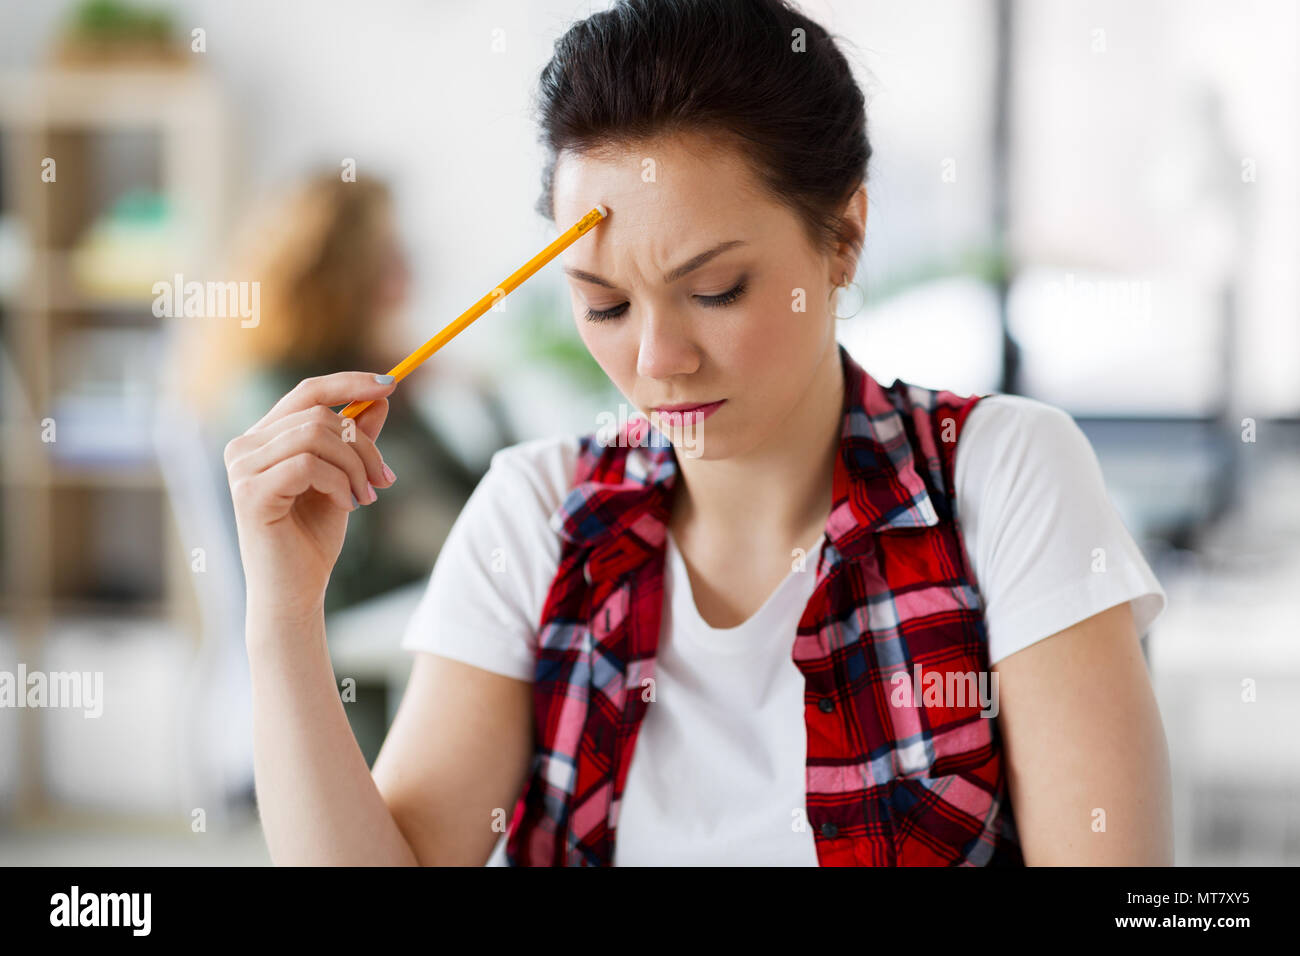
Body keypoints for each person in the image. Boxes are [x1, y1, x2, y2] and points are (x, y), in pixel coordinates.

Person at [227, 0, 1172, 866]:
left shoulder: (1001, 476)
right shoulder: (535, 512)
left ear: (843, 237)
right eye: (603, 304)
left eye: (716, 290)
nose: (658, 358)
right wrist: (280, 614)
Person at [178, 171, 494, 617]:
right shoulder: (272, 393)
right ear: (339, 279)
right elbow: (347, 570)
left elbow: (486, 496)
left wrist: (484, 397)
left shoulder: (380, 378)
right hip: (366, 638)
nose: (408, 274)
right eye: (388, 257)